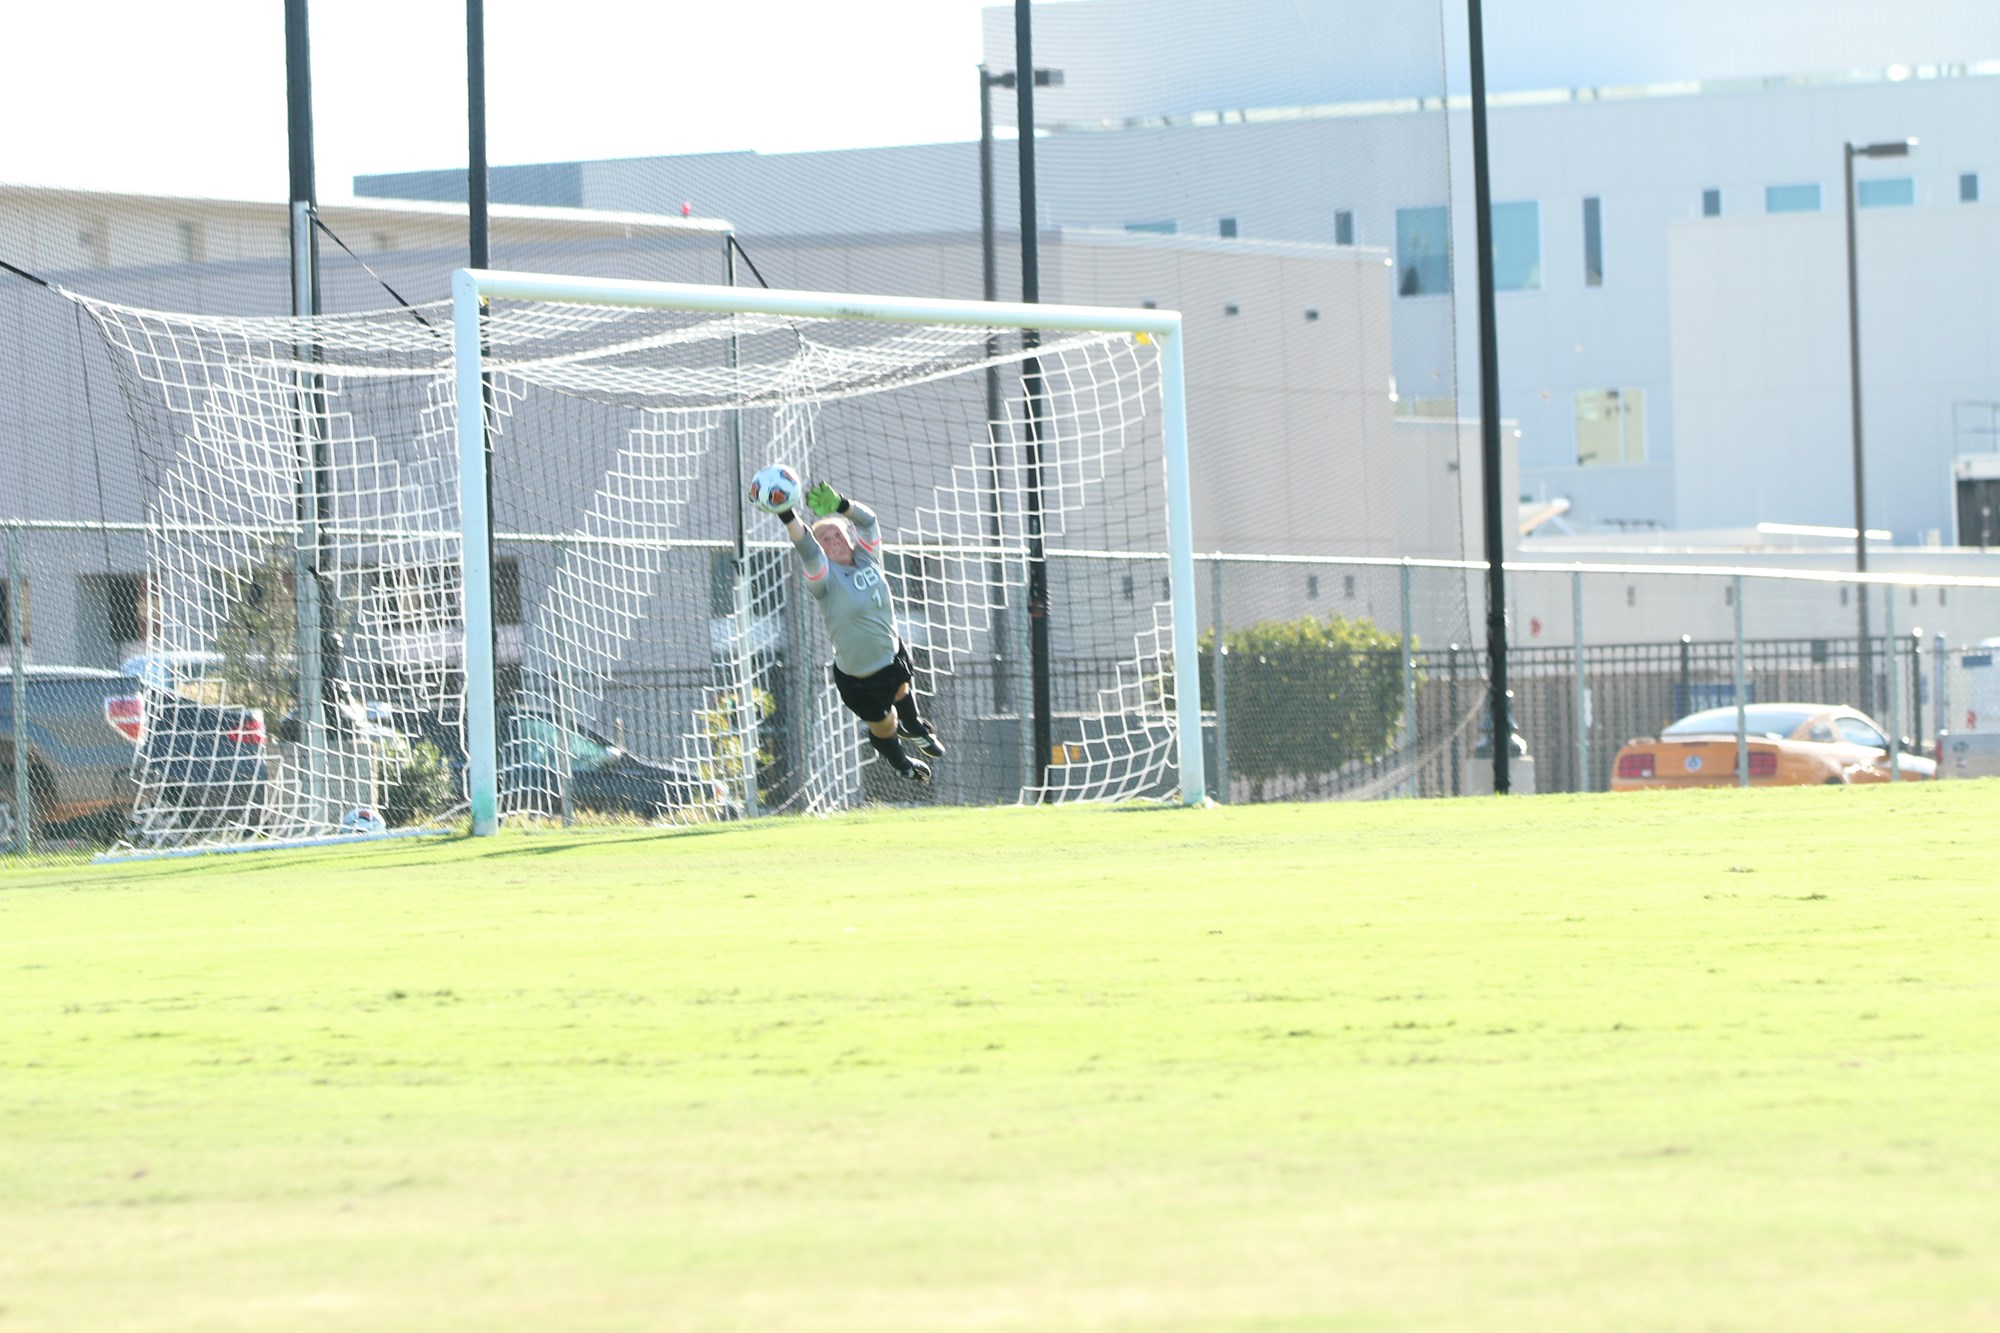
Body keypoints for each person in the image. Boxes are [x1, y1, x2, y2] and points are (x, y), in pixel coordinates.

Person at [763, 478, 946, 782]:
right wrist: (786, 513)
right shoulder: (822, 577)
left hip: (892, 654)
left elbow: (869, 521)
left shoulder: (868, 557)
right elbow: (805, 547)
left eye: (837, 534)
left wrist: (841, 506)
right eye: (824, 539)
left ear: (850, 539)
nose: (832, 540)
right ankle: (900, 762)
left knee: (902, 687)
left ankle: (914, 726)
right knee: (885, 724)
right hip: (859, 679)